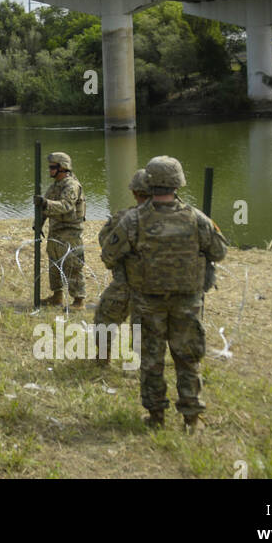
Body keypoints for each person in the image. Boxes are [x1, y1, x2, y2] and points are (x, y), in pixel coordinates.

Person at [101, 155, 228, 430]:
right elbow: (219, 251)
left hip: (147, 302)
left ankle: (156, 417)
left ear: (149, 183)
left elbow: (109, 254)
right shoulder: (197, 218)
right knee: (188, 357)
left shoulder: (133, 220)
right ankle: (192, 418)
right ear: (178, 183)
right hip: (187, 301)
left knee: (151, 359)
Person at [93, 168, 150, 363]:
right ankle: (144, 363)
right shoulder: (180, 217)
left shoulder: (124, 218)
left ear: (134, 192)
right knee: (146, 326)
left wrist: (118, 265)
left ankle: (103, 358)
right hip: (166, 284)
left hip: (127, 281)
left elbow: (106, 245)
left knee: (105, 318)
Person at [35, 151, 86, 308]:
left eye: (53, 167)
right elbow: (44, 208)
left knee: (73, 266)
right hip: (55, 232)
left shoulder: (71, 186)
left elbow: (65, 206)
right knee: (54, 266)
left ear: (62, 168)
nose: (49, 170)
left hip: (70, 232)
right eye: (49, 167)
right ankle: (57, 297)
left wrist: (45, 203)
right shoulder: (54, 187)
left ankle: (79, 301)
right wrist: (38, 223)